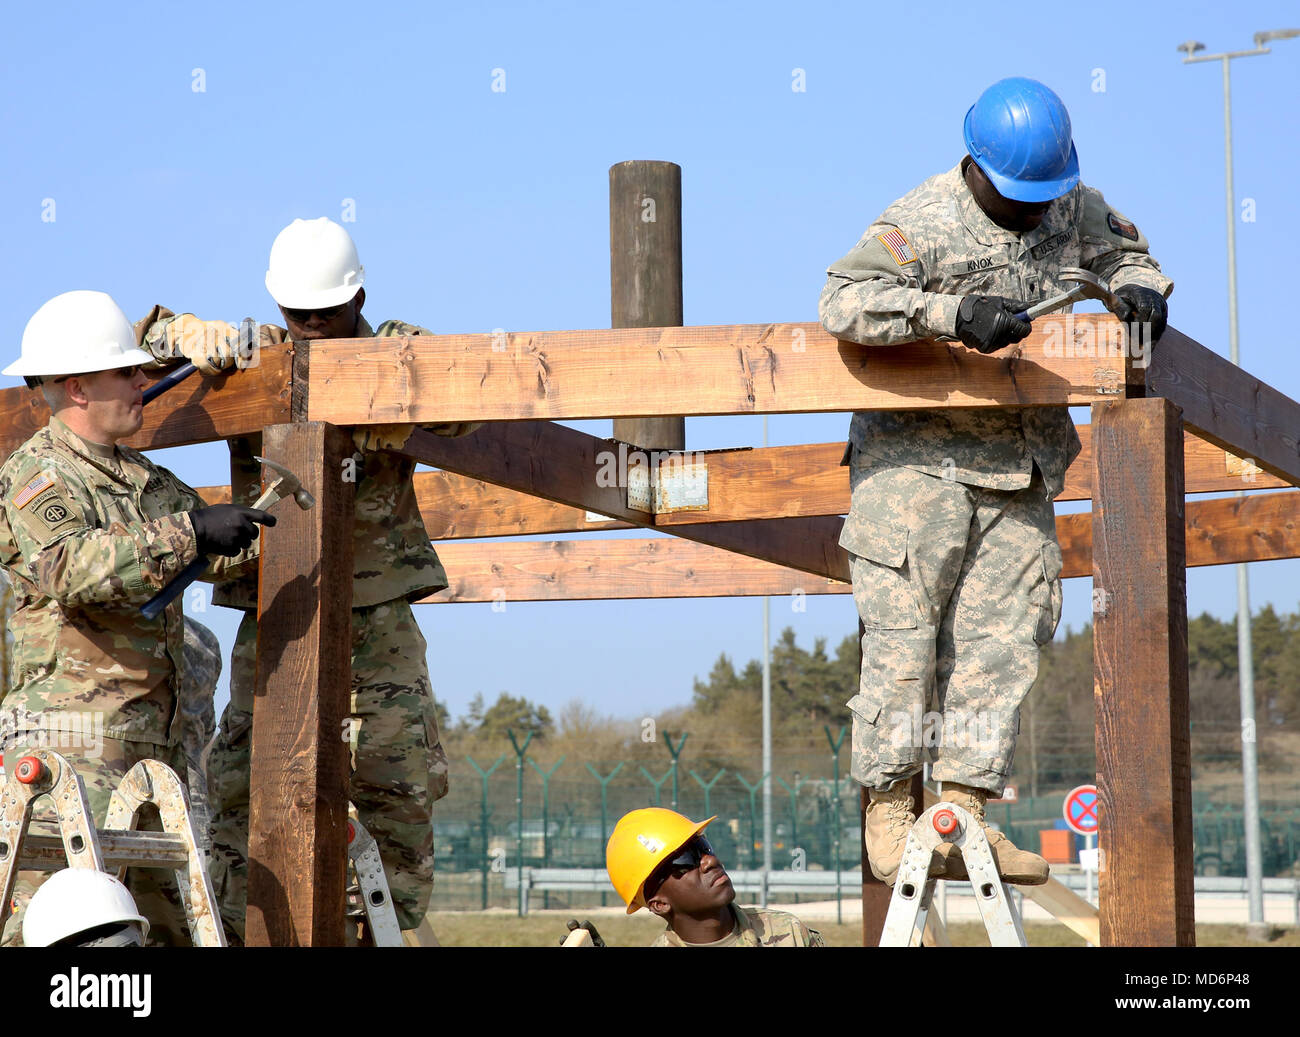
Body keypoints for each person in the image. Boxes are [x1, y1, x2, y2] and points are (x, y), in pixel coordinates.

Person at [819, 77, 1172, 887]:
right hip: (917, 468)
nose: (1031, 212)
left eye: (1041, 198)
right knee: (904, 644)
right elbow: (843, 302)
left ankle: (966, 813)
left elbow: (1129, 254)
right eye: (1017, 198)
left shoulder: (1070, 203)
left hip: (1020, 466)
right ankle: (892, 812)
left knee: (1005, 644)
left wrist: (1138, 288)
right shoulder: (921, 220)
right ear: (975, 167)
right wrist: (948, 316)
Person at [137, 217, 479, 941]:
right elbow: (126, 353)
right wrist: (186, 333)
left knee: (395, 771)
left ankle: (383, 923)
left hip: (374, 609)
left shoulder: (394, 347)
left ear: (360, 297)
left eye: (329, 312)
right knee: (250, 773)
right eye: (301, 315)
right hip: (281, 608)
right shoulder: (254, 359)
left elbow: (466, 404)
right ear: (279, 305)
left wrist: (395, 370)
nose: (315, 327)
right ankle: (250, 923)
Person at [0, 290, 272, 946]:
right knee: (64, 935)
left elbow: (226, 551)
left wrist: (257, 519)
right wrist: (192, 530)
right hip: (71, 752)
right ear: (78, 387)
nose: (143, 383)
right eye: (127, 371)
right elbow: (71, 568)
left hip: (151, 759)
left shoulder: (145, 482)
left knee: (157, 937)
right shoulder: (38, 475)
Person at [605, 807, 825, 947]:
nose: (710, 861)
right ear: (660, 904)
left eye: (703, 846)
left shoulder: (788, 933)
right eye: (685, 859)